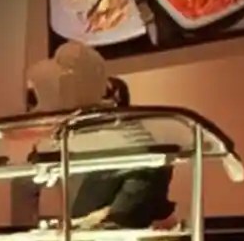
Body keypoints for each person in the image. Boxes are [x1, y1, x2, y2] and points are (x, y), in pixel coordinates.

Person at [70, 77, 178, 231]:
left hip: (124, 237)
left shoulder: (138, 141)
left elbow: (127, 210)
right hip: (91, 237)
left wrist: (92, 220)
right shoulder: (96, 143)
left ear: (113, 102)